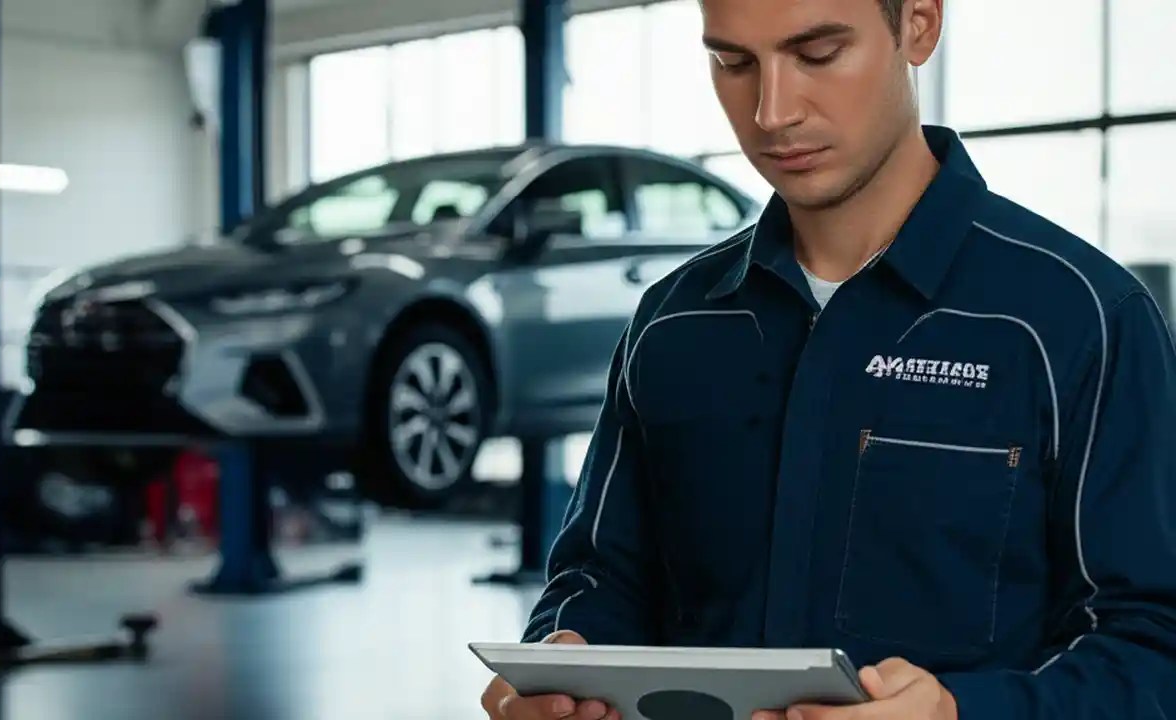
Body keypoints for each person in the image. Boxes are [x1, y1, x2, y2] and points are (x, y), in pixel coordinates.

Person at [481, 0, 1176, 718]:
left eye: (817, 55)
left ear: (918, 25)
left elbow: (1153, 650)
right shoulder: (674, 322)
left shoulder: (1079, 318)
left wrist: (956, 712)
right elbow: (600, 578)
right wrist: (563, 661)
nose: (771, 113)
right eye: (734, 63)